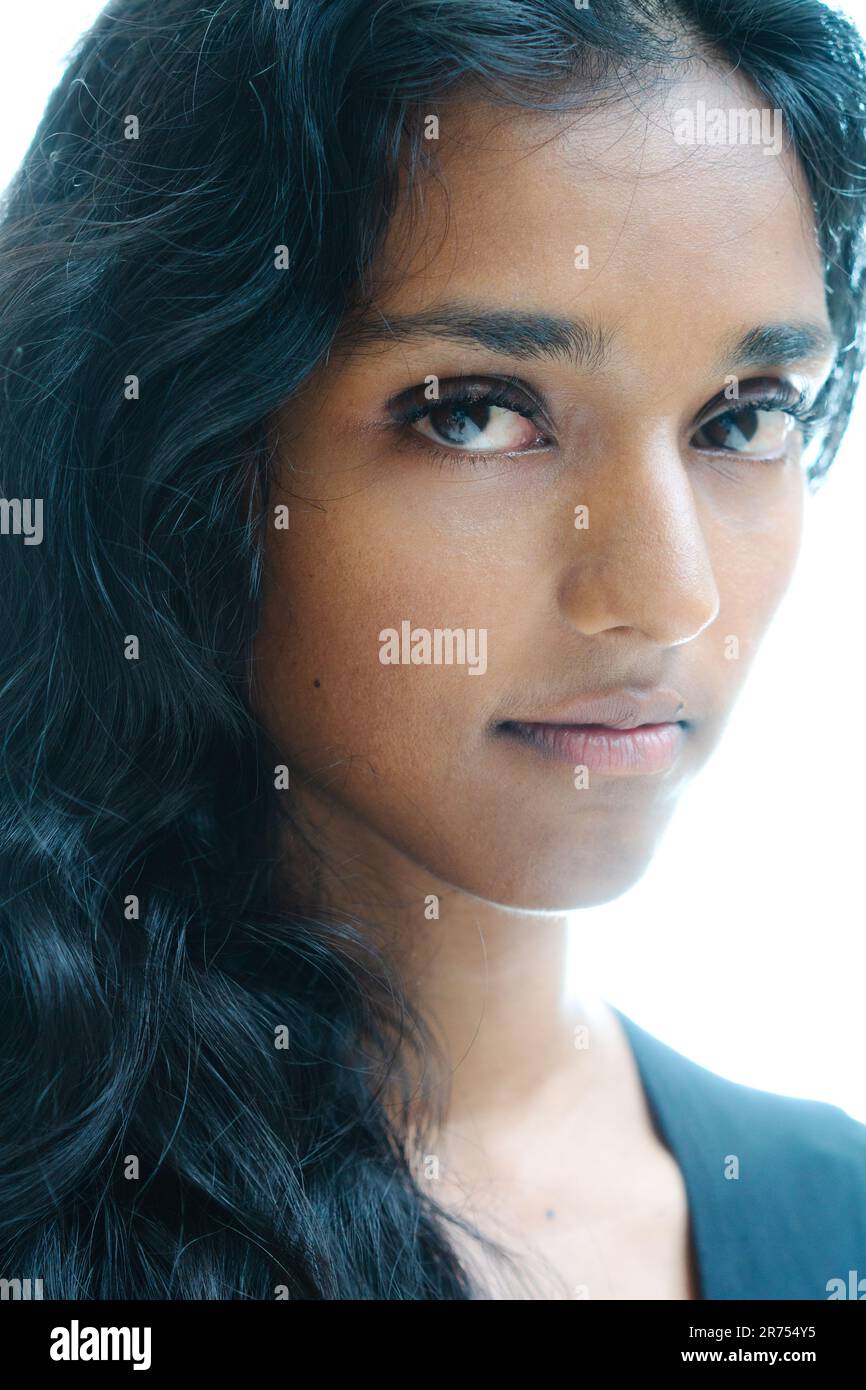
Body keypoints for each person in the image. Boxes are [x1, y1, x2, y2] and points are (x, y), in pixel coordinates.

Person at [2, 0, 865, 1301]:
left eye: (742, 418)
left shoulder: (833, 1218)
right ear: (178, 457)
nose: (666, 595)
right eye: (474, 413)